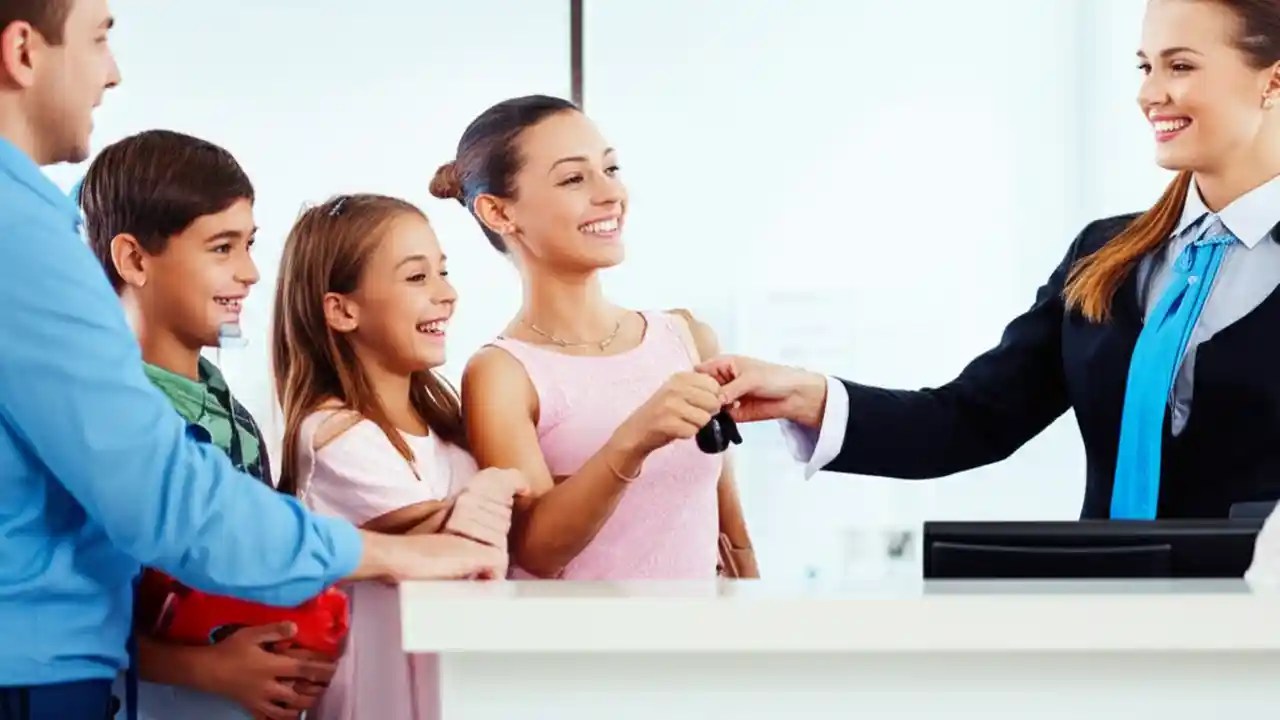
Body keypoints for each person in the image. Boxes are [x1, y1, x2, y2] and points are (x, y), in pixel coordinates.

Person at [0, 2, 503, 717]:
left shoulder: (34, 231)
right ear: (23, 51)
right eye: (99, 38)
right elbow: (161, 500)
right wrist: (396, 552)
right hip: (33, 673)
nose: (112, 73)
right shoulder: (21, 239)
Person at [697, 0, 1280, 521]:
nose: (1150, 93)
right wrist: (808, 395)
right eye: (1144, 66)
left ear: (1272, 81)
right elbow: (972, 420)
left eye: (1180, 66)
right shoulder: (1106, 256)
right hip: (1113, 614)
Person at [80, 128, 349, 720]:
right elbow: (82, 606)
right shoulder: (105, 417)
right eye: (222, 247)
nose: (252, 272)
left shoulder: (233, 412)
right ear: (133, 259)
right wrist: (208, 669)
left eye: (250, 244)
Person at [430, 95, 758, 579]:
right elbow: (536, 552)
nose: (610, 194)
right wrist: (634, 439)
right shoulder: (502, 374)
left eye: (611, 169)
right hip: (583, 650)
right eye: (573, 178)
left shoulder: (687, 338)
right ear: (498, 212)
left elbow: (731, 532)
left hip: (698, 645)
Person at [273, 193, 528, 720]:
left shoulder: (443, 427)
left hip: (449, 686)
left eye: (443, 272)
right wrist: (497, 484)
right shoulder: (335, 435)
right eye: (417, 278)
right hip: (380, 693)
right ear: (343, 310)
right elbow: (446, 545)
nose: (447, 293)